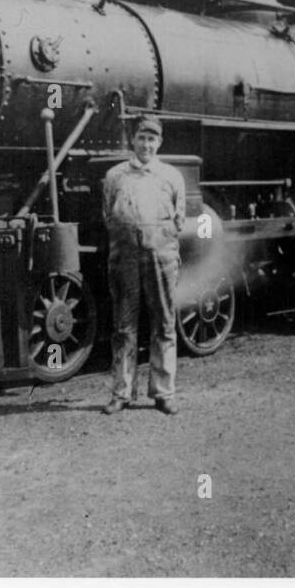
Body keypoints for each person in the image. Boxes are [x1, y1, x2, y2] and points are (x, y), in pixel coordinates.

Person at [102, 115, 186, 416]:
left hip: (161, 257)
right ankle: (121, 393)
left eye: (152, 139)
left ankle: (164, 393)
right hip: (125, 257)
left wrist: (157, 240)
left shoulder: (172, 177)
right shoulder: (115, 177)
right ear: (132, 140)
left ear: (159, 142)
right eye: (142, 138)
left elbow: (179, 219)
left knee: (164, 323)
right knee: (124, 327)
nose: (147, 144)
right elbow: (109, 216)